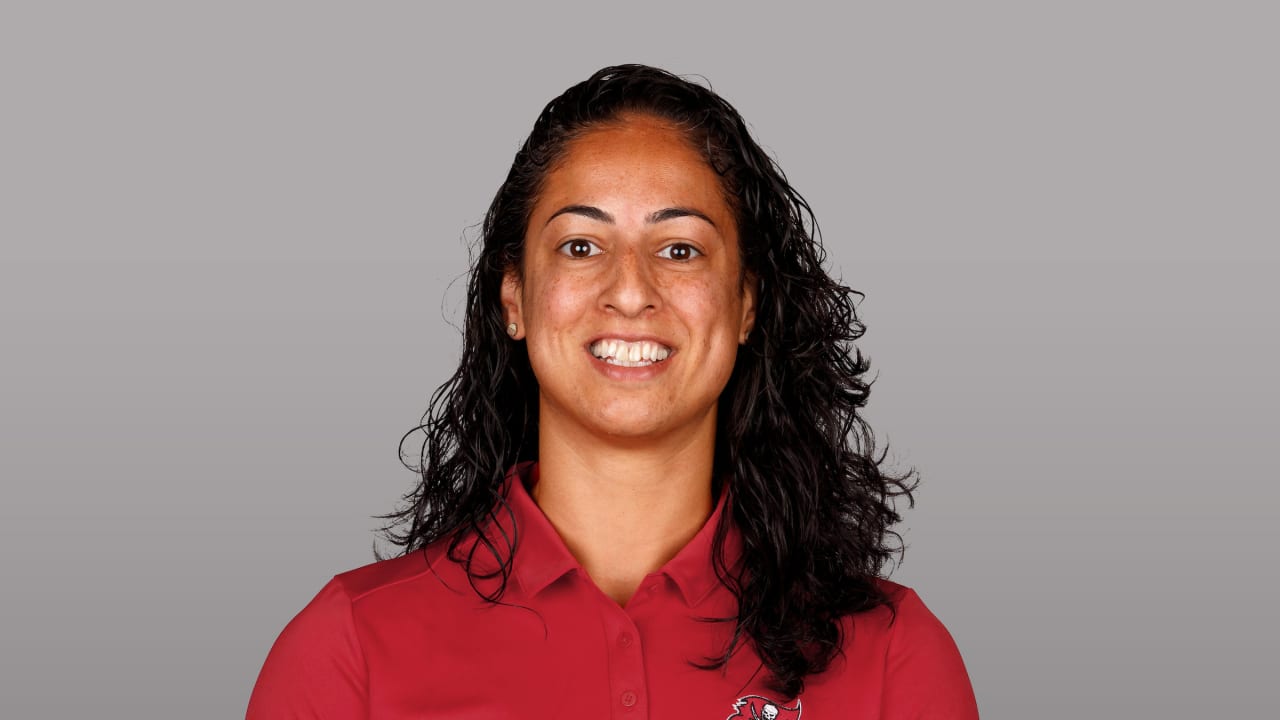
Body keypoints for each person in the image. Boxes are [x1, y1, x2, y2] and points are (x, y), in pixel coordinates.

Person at [247, 64, 979, 719]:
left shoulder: (891, 656)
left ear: (748, 301)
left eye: (681, 248)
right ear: (514, 296)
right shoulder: (351, 650)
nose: (630, 290)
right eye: (580, 246)